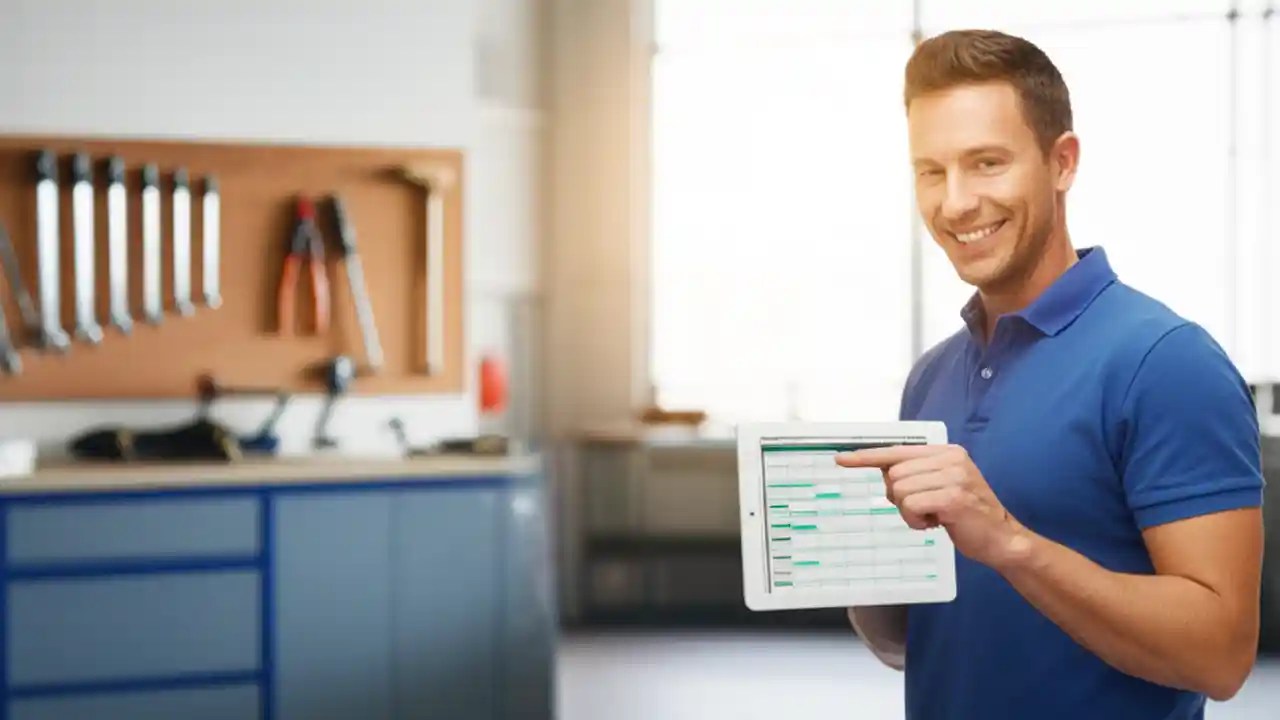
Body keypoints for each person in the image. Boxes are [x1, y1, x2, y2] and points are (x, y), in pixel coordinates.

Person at [840, 29, 1265, 720]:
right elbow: (921, 641)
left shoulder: (1167, 362)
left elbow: (1220, 656)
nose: (955, 203)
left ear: (1061, 162)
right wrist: (858, 566)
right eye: (931, 171)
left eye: (986, 163)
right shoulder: (930, 377)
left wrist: (1010, 544)